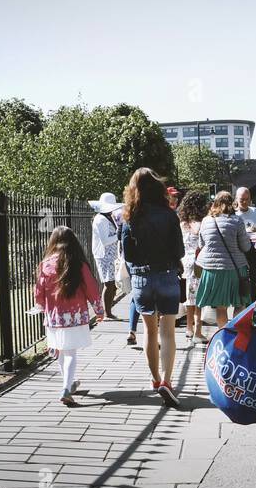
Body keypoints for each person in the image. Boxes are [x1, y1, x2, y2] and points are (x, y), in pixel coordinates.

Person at [120, 168, 184, 406]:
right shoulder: (169, 215)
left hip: (142, 278)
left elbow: (128, 255)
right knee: (168, 331)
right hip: (167, 275)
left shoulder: (130, 217)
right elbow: (180, 251)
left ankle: (155, 379)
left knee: (149, 331)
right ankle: (167, 380)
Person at [34, 226, 105, 406]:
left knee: (61, 350)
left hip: (54, 316)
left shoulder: (46, 264)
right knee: (70, 352)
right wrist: (98, 310)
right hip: (74, 315)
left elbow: (39, 291)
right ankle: (66, 387)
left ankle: (69, 381)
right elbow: (91, 288)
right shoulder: (78, 263)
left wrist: (42, 306)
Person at [196, 191, 251, 329]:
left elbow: (202, 245)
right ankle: (235, 334)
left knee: (221, 307)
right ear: (232, 203)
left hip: (212, 270)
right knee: (240, 303)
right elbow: (245, 247)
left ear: (215, 203)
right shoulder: (236, 221)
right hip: (235, 269)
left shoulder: (206, 221)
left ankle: (223, 334)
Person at [179, 191, 209, 345]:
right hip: (198, 262)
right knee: (198, 300)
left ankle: (188, 329)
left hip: (184, 262)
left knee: (189, 298)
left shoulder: (182, 223)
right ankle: (198, 331)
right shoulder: (201, 223)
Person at [89, 192, 124, 320]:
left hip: (111, 254)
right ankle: (107, 313)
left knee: (112, 283)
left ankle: (108, 311)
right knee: (108, 283)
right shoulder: (101, 219)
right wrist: (118, 234)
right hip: (104, 255)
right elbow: (105, 240)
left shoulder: (108, 217)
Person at [234, 186, 256, 300]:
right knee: (241, 284)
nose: (244, 202)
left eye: (247, 199)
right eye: (241, 199)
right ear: (236, 199)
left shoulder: (255, 212)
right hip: (240, 254)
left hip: (255, 254)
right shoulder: (234, 215)